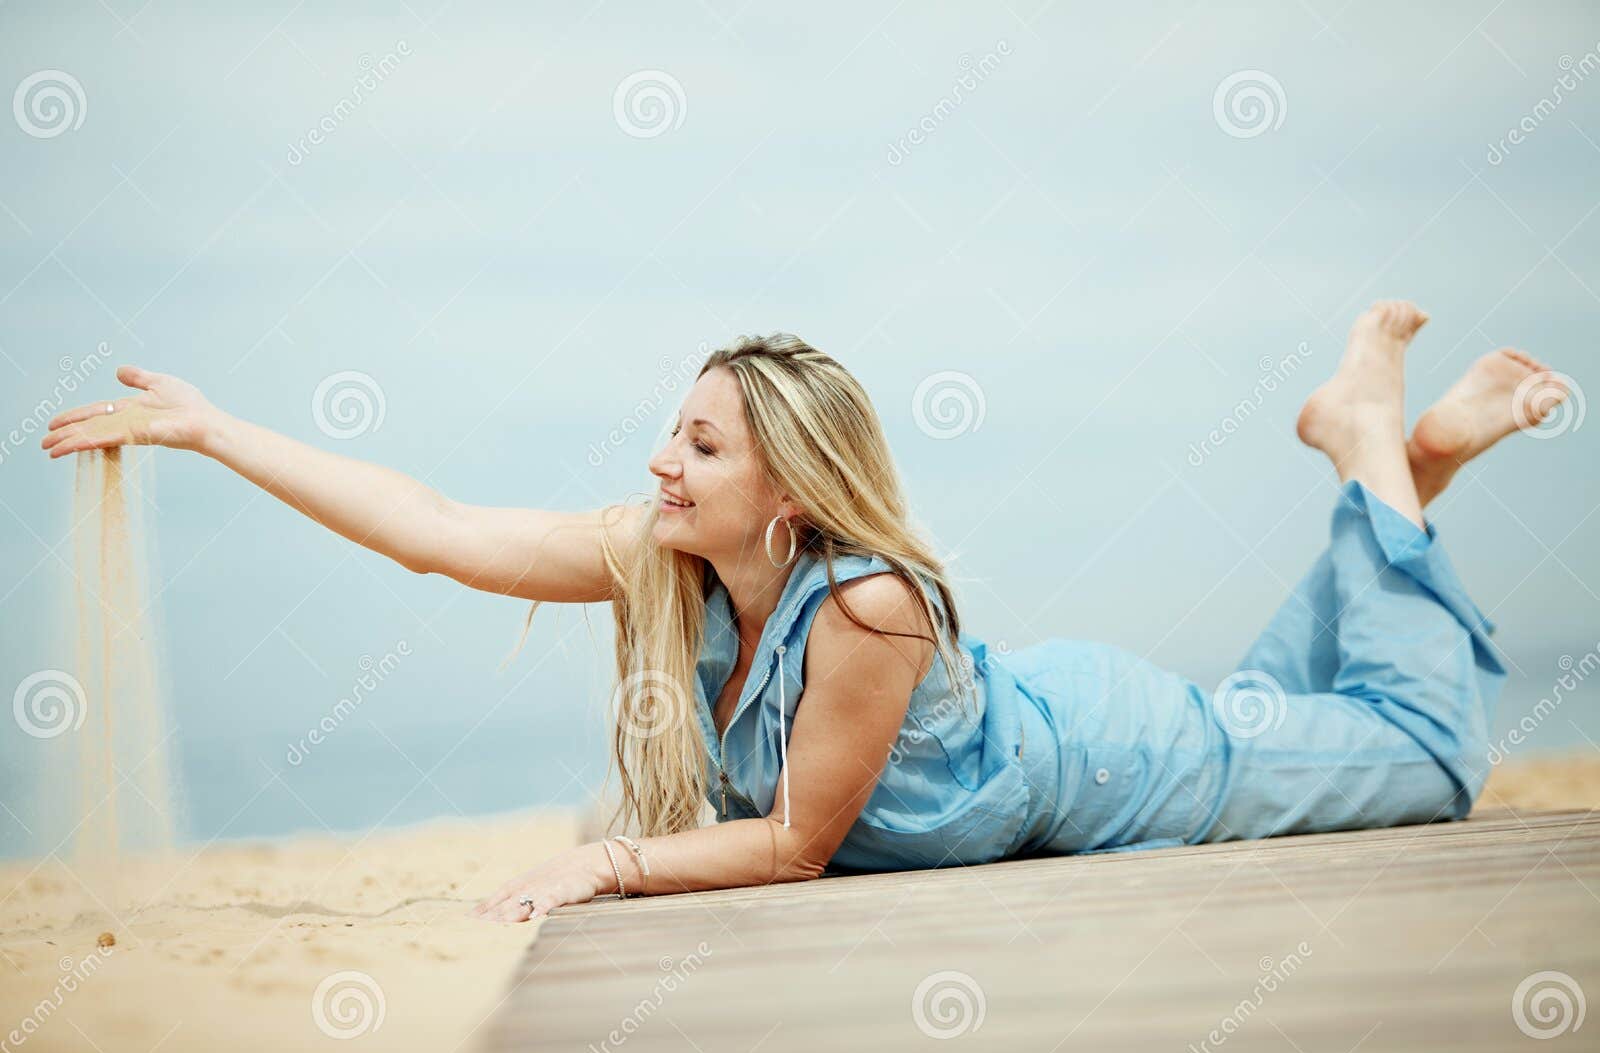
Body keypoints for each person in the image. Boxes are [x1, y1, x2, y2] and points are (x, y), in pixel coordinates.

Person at [40, 304, 1566, 922]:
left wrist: (607, 862)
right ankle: (1399, 465)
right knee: (1311, 705)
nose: (663, 461)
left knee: (1430, 758)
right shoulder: (677, 561)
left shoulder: (872, 601)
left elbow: (795, 845)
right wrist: (213, 432)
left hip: (1123, 758)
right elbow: (440, 531)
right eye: (674, 431)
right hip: (1070, 726)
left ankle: (1375, 446)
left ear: (790, 487)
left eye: (702, 446)